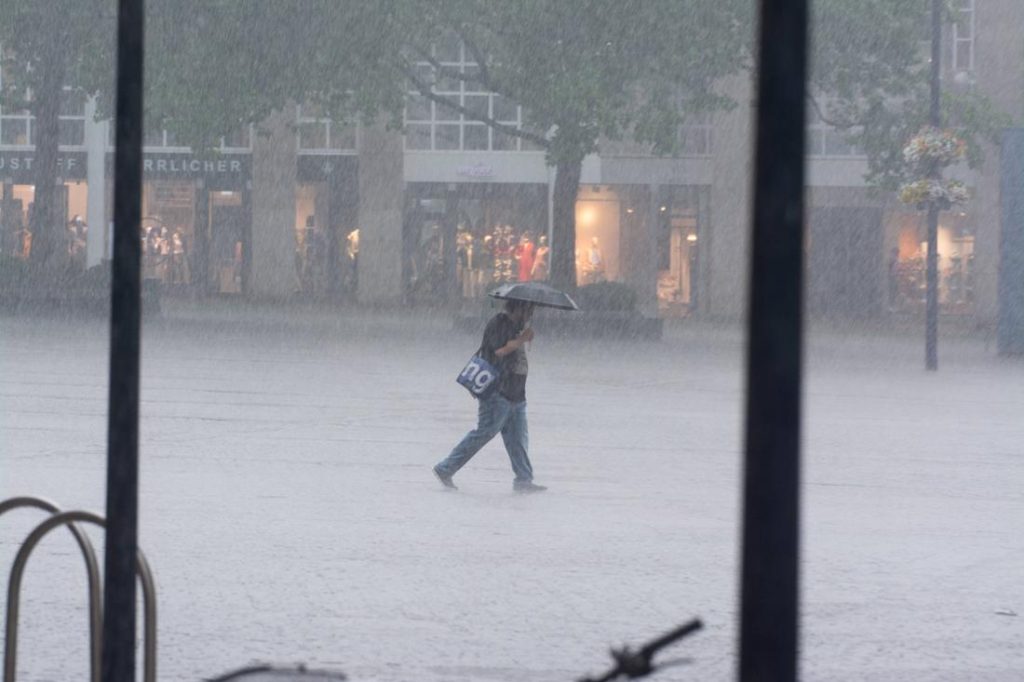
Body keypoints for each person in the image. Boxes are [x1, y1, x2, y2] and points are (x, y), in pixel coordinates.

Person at [433, 299, 547, 493]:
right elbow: (499, 351)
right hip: (498, 392)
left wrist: (524, 338)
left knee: (517, 439)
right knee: (484, 433)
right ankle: (446, 468)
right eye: (529, 310)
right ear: (518, 307)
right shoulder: (499, 323)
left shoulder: (518, 326)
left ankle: (524, 479)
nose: (531, 314)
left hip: (516, 393)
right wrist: (521, 339)